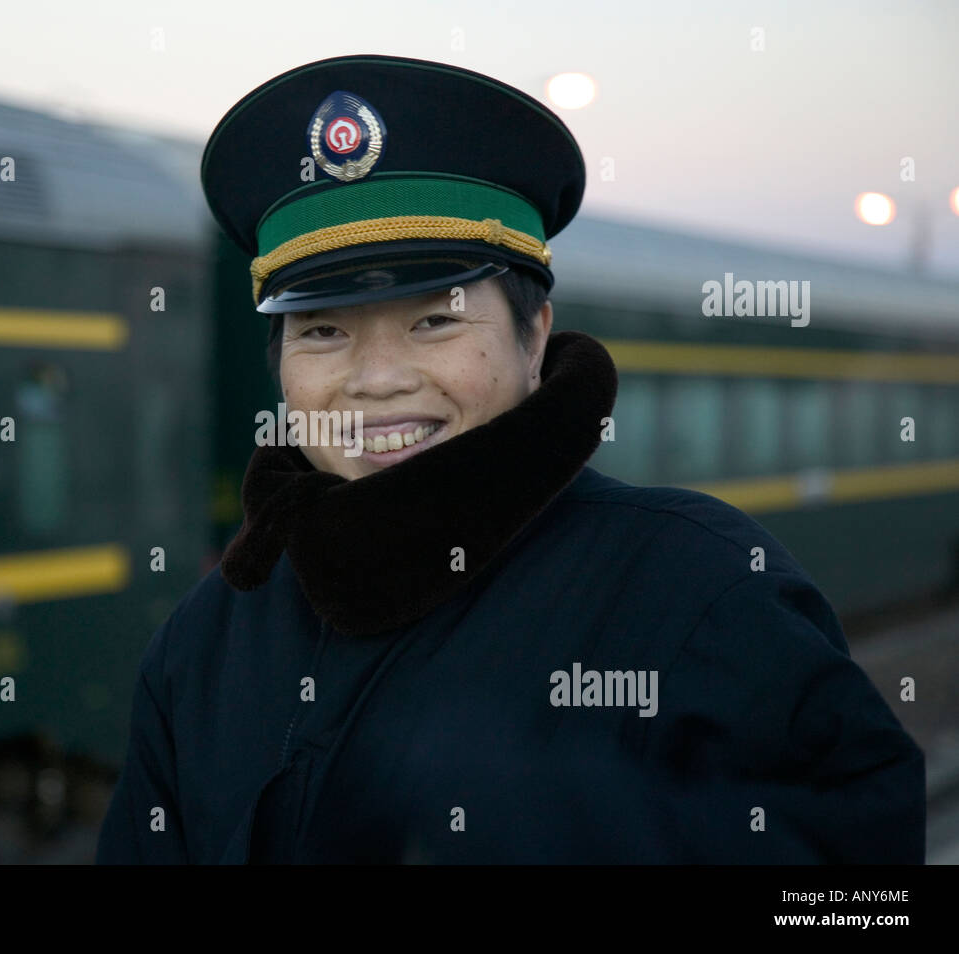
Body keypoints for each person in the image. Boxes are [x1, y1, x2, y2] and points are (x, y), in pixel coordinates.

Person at [95, 54, 925, 863]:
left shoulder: (701, 592)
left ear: (535, 337)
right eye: (323, 331)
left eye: (435, 321)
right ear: (279, 364)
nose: (377, 379)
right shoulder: (202, 647)